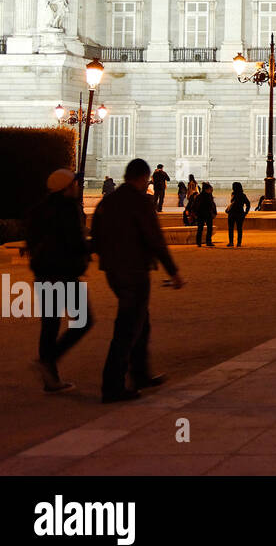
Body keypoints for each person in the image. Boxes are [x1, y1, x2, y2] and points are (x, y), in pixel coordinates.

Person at [91, 158, 183, 403]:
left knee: (141, 322)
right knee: (128, 327)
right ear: (142, 178)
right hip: (134, 272)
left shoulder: (107, 201)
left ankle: (140, 373)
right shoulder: (141, 202)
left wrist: (109, 259)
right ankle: (112, 387)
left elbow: (96, 236)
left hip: (114, 271)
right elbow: (155, 239)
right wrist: (173, 271)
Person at [27, 169, 94, 393]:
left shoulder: (39, 209)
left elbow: (31, 240)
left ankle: (50, 380)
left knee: (50, 324)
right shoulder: (69, 209)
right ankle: (48, 361)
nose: (77, 186)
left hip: (43, 273)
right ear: (67, 188)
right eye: (74, 183)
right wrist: (90, 250)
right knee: (84, 320)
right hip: (64, 274)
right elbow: (75, 241)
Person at [225, 181, 251, 246]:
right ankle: (239, 242)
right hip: (240, 212)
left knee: (231, 228)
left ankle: (231, 242)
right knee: (239, 229)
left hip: (232, 213)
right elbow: (248, 204)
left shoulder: (233, 194)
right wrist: (246, 212)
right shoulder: (242, 195)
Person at [194, 182, 217, 247]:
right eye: (210, 189)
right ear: (206, 189)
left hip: (204, 215)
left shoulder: (202, 196)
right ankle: (205, 241)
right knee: (205, 228)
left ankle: (202, 242)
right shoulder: (205, 197)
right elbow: (212, 205)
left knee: (203, 229)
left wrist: (214, 212)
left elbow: (213, 205)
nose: (211, 190)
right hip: (205, 214)